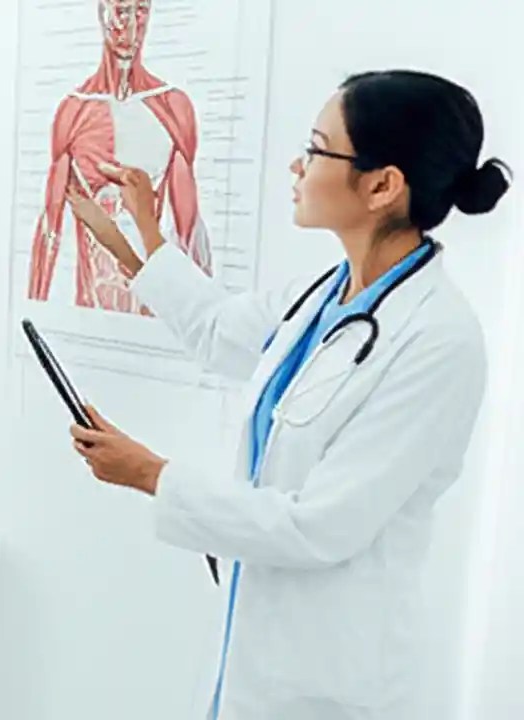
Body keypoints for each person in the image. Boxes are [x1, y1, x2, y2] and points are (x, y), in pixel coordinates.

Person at [62, 69, 510, 718]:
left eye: (318, 146)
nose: (298, 165)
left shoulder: (438, 340)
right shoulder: (325, 297)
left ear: (383, 185)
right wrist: (140, 237)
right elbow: (219, 331)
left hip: (335, 681)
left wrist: (153, 475)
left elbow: (320, 525)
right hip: (255, 657)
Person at [27, 0, 210, 313]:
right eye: (122, 10)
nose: (132, 27)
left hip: (152, 312)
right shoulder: (75, 111)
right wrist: (31, 315)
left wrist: (205, 321)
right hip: (91, 308)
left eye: (141, 12)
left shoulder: (172, 107)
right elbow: (50, 228)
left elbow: (189, 232)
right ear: (102, 12)